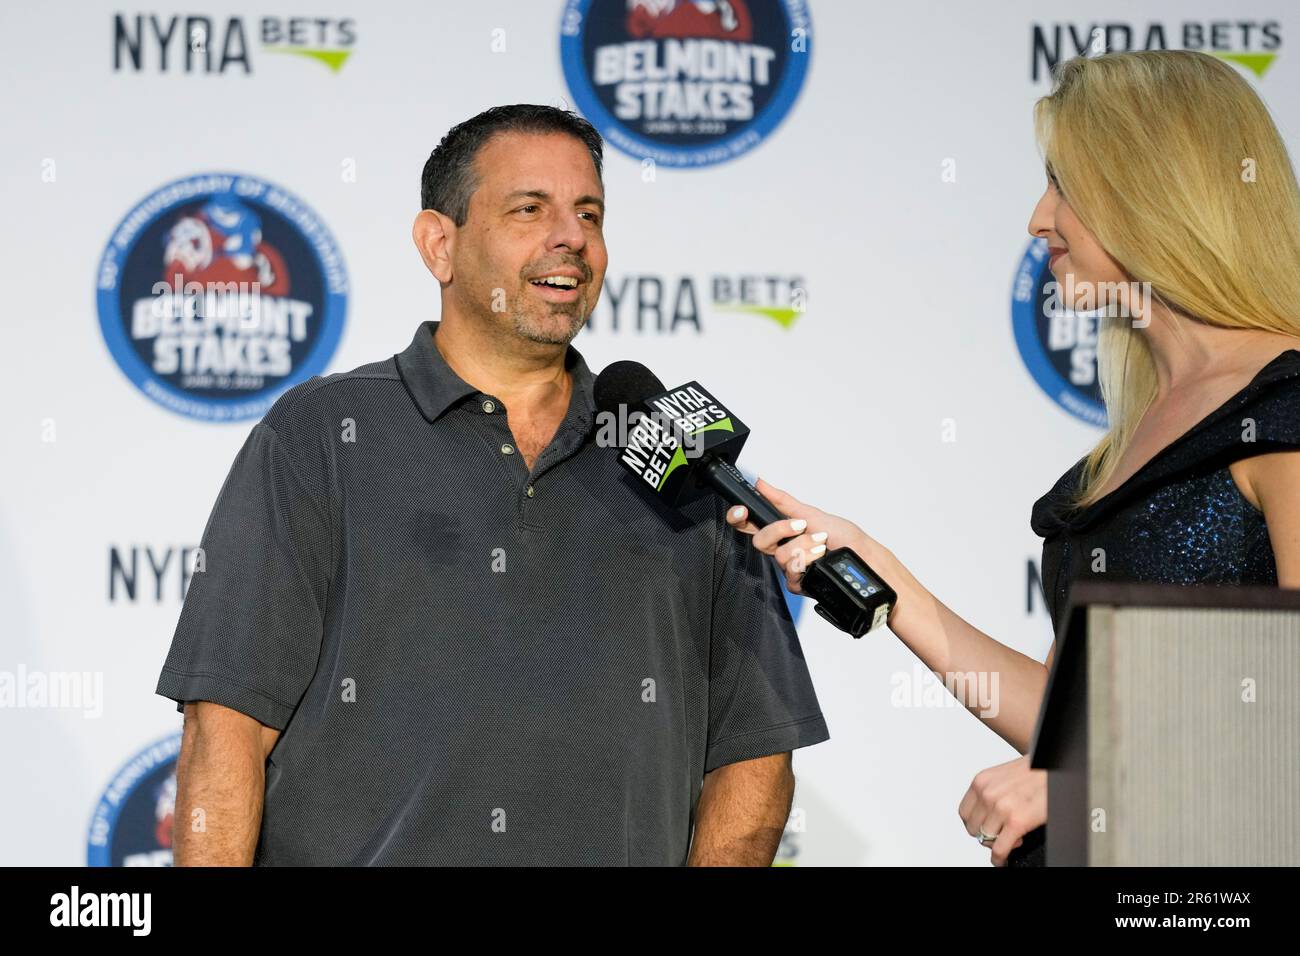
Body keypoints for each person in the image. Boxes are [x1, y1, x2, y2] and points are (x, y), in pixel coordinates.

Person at [155, 104, 829, 866]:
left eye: (589, 213)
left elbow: (754, 747)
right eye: (529, 209)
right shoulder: (321, 434)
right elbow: (226, 729)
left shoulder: (680, 454)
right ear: (439, 244)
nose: (570, 237)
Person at [726, 50, 1300, 866]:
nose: (1038, 218)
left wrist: (1100, 787)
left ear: (1156, 191)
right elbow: (1075, 729)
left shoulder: (1286, 409)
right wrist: (887, 579)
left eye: (1065, 184)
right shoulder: (1122, 449)